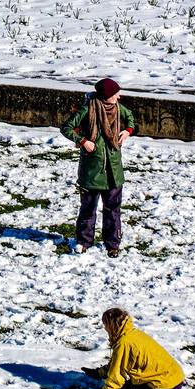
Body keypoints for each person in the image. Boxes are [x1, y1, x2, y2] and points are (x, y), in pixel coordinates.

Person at [60, 77, 135, 257]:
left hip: (113, 171)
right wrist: (84, 141)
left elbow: (131, 119)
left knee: (113, 210)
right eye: (115, 94)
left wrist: (127, 131)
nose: (119, 96)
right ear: (106, 96)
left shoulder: (119, 109)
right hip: (91, 170)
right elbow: (66, 127)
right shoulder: (88, 109)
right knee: (88, 209)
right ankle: (83, 241)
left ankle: (112, 244)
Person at [84, 308, 187, 389]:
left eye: (105, 324)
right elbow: (117, 363)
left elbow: (117, 374)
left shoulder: (124, 343)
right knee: (125, 388)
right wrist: (99, 373)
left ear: (111, 326)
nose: (104, 328)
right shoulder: (132, 333)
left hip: (164, 385)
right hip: (174, 378)